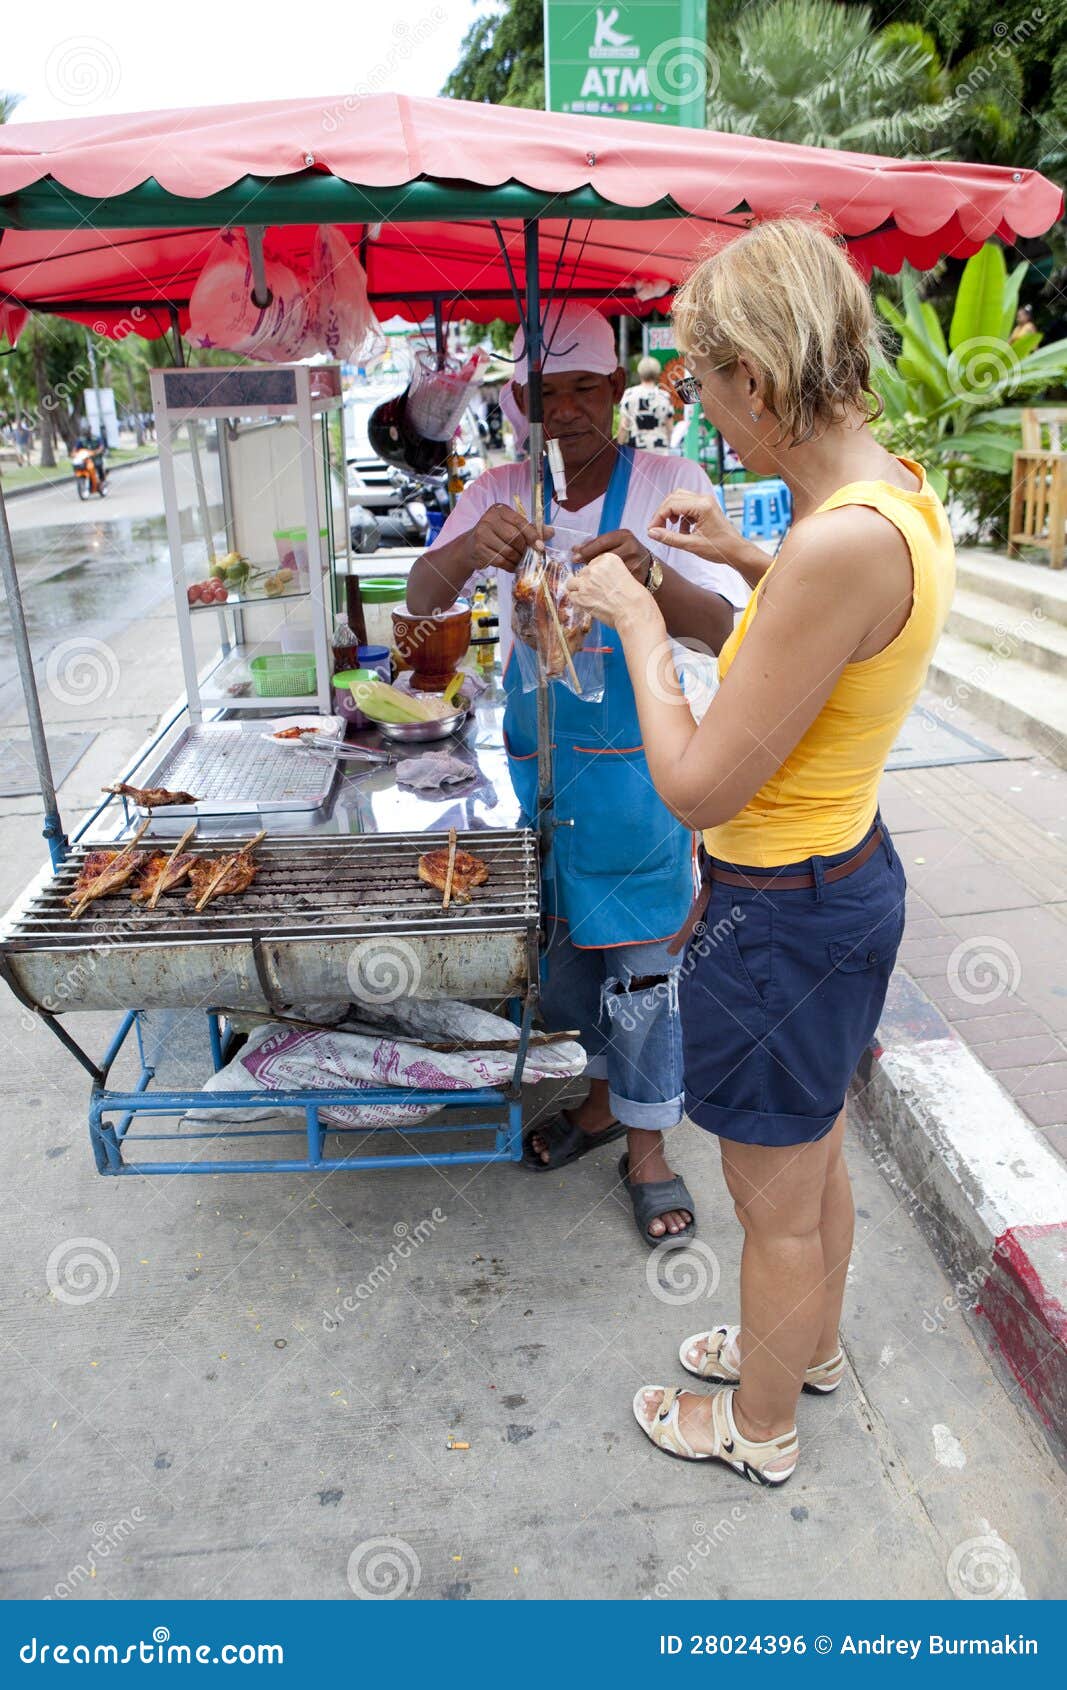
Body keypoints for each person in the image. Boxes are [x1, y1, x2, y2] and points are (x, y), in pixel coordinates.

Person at [567, 218, 955, 1483]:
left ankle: (759, 1427)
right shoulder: (881, 494)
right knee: (811, 1148)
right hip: (836, 877)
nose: (704, 419)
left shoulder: (837, 541)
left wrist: (631, 612)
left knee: (770, 1197)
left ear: (760, 370)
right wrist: (738, 556)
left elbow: (690, 783)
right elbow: (828, 620)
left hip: (778, 912)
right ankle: (810, 1346)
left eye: (707, 385)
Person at [407, 303, 748, 1245]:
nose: (563, 411)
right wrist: (467, 550)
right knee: (565, 957)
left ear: (616, 386)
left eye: (583, 390)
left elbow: (725, 631)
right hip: (541, 771)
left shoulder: (671, 486)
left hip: (643, 770)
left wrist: (654, 582)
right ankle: (600, 1105)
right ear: (517, 399)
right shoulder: (500, 491)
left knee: (640, 964)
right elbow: (416, 598)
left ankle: (649, 1147)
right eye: (542, 394)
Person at [617, 356, 676, 451]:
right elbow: (669, 427)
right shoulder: (665, 396)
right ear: (657, 374)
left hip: (636, 449)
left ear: (640, 373)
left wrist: (619, 446)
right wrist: (668, 444)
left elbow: (624, 426)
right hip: (659, 448)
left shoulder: (629, 394)